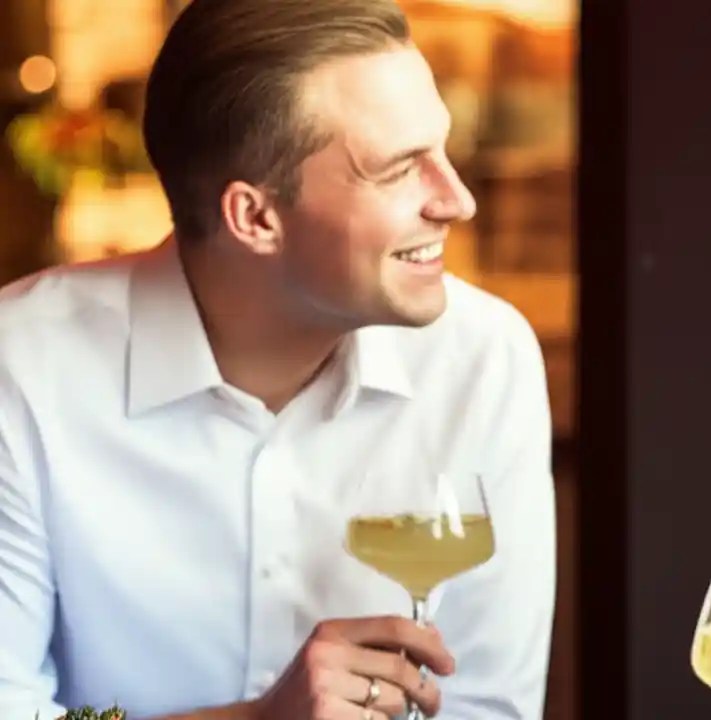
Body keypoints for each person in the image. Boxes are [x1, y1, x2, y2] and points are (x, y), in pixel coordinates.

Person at [0, 1, 556, 718]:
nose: (458, 199)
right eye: (398, 170)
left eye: (442, 151)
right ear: (255, 217)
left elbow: (486, 707)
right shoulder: (21, 370)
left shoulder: (484, 358)